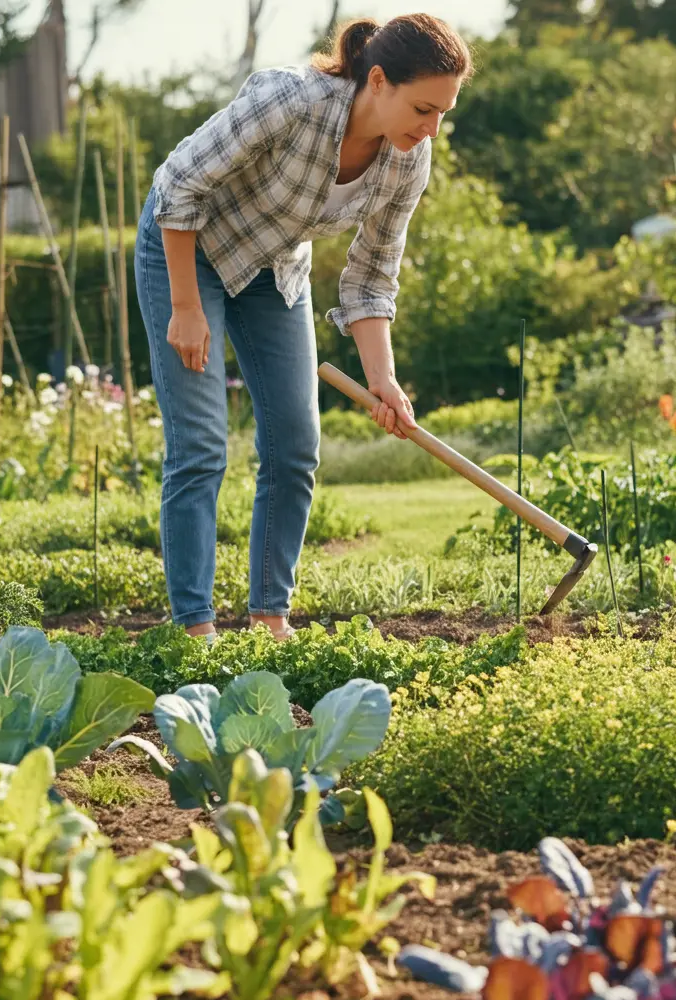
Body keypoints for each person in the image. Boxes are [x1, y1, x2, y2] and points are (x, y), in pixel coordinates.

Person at [134, 14, 473, 642]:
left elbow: (370, 278)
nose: (430, 129)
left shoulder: (407, 162)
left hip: (274, 267)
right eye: (423, 109)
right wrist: (185, 306)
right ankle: (193, 629)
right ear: (378, 80)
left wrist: (385, 382)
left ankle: (269, 616)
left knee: (294, 446)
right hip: (184, 249)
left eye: (442, 115)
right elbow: (177, 182)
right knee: (202, 446)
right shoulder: (292, 100)